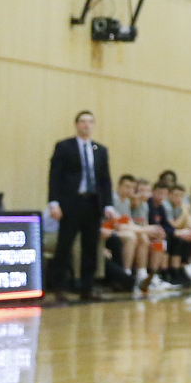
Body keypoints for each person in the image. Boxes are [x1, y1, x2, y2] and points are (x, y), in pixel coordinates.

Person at [47, 110, 116, 301]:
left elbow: (105, 180)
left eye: (90, 122)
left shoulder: (100, 150)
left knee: (90, 247)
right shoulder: (64, 146)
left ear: (93, 125)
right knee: (65, 245)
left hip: (93, 203)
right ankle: (58, 287)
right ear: (76, 125)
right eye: (83, 121)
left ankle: (87, 287)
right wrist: (54, 203)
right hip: (71, 202)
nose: (86, 125)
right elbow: (55, 176)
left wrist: (108, 204)